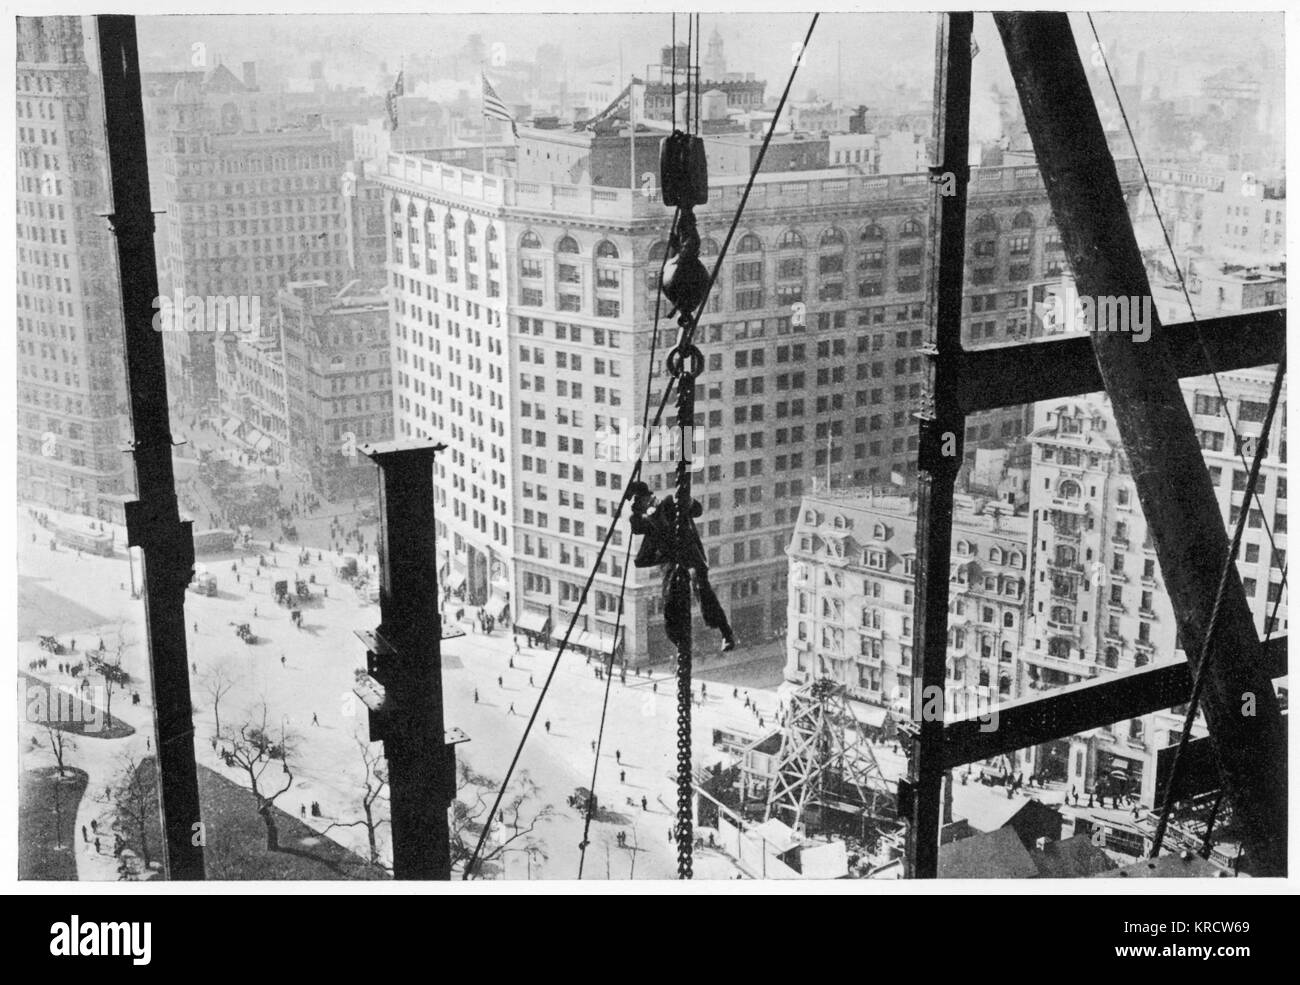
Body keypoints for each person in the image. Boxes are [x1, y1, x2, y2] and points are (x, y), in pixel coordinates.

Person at [628, 481, 735, 654]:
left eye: (645, 501)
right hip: (671, 563)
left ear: (650, 497)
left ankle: (726, 632)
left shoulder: (669, 502)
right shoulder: (648, 521)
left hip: (690, 557)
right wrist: (636, 509)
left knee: (702, 590)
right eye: (641, 504)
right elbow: (637, 528)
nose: (646, 506)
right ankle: (680, 642)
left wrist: (687, 501)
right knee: (670, 602)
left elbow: (697, 510)